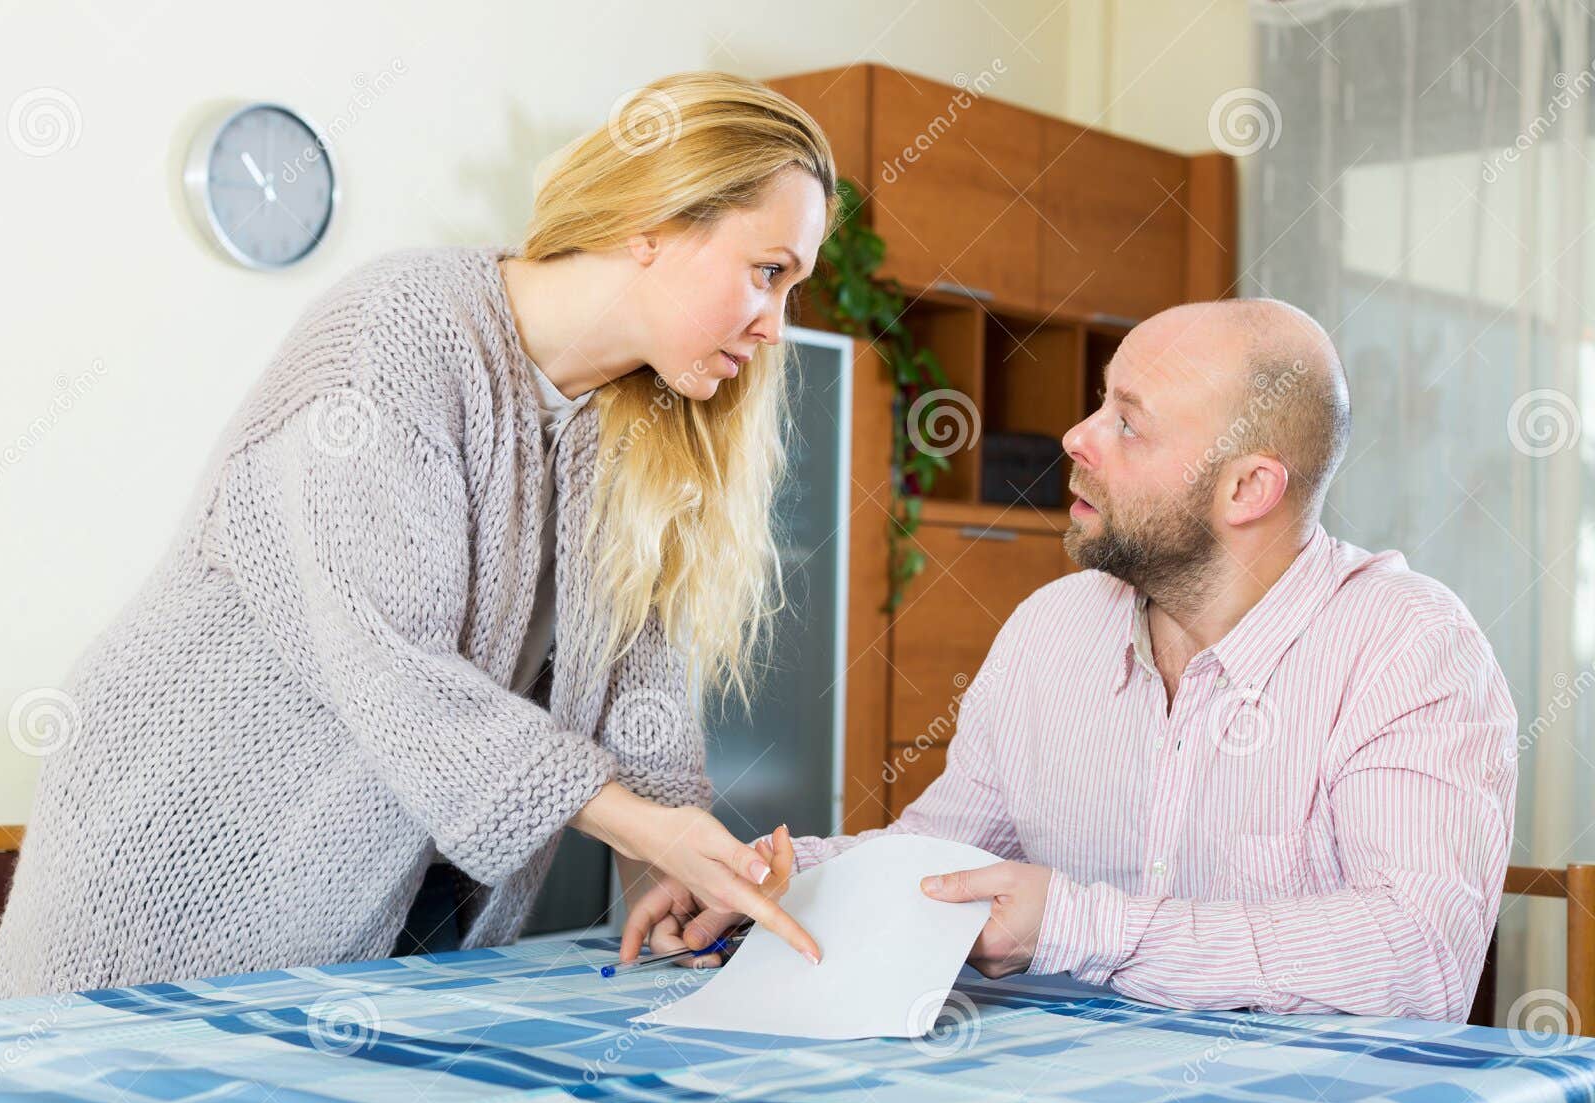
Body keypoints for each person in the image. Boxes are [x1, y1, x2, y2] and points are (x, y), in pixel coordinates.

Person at [0, 70, 836, 998]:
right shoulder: (398, 332)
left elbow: (643, 690)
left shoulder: (636, 432)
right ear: (654, 220)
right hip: (173, 844)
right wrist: (647, 829)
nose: (775, 326)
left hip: (374, 887)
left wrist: (677, 852)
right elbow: (391, 663)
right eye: (769, 272)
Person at [622, 298, 1519, 1023]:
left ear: (1250, 488)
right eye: (1100, 402)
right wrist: (764, 881)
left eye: (1128, 424)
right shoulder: (1052, 628)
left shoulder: (1412, 650)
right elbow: (936, 862)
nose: (1075, 438)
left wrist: (1078, 926)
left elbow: (1416, 964)